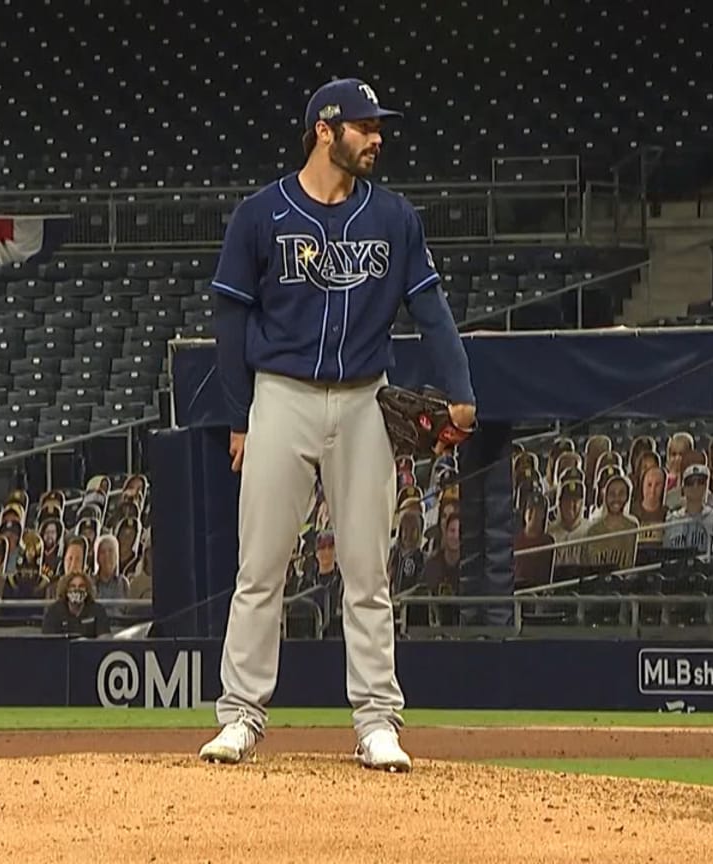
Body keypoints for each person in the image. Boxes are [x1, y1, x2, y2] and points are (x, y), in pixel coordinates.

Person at [200, 77, 475, 773]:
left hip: (362, 401)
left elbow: (431, 308)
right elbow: (230, 320)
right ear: (324, 131)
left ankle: (377, 721)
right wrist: (239, 416)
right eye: (364, 126)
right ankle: (240, 715)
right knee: (260, 567)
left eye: (378, 126)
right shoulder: (261, 214)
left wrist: (461, 390)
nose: (376, 137)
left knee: (366, 570)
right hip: (281, 394)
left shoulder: (394, 217)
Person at [664, 464, 713, 559]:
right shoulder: (672, 518)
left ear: (706, 486)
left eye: (700, 482)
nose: (695, 486)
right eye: (690, 483)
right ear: (684, 488)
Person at [41, 571, 108, 638]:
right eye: (72, 586)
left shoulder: (98, 610)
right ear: (66, 589)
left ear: (87, 589)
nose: (77, 589)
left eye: (81, 586)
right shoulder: (53, 611)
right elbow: (48, 640)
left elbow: (104, 638)